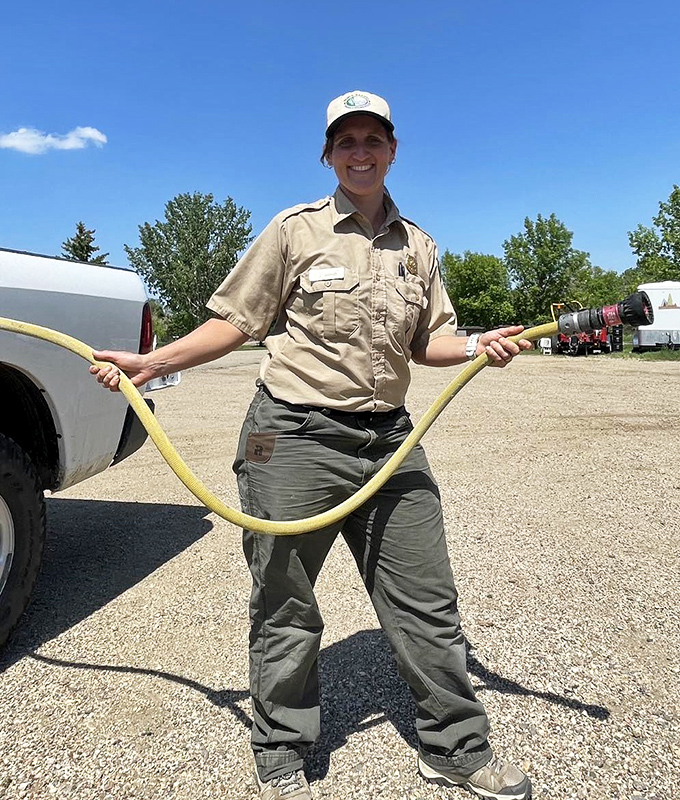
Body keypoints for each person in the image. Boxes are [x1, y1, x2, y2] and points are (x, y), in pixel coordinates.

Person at [91, 90, 533, 800]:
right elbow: (237, 320)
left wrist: (482, 343)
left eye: (373, 140)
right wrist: (156, 361)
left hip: (390, 439)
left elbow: (430, 343)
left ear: (393, 150)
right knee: (286, 603)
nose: (361, 152)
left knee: (428, 602)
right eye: (346, 141)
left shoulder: (418, 246)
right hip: (292, 436)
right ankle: (282, 748)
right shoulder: (294, 231)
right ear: (328, 155)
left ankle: (455, 748)